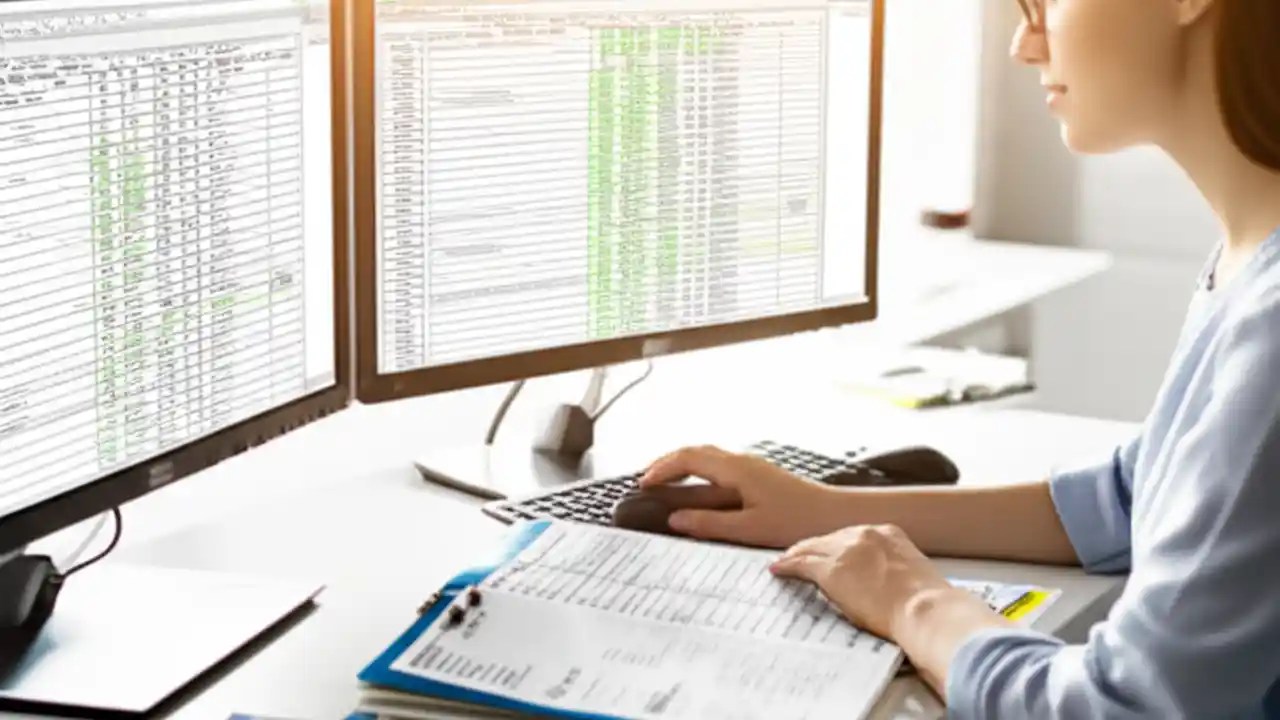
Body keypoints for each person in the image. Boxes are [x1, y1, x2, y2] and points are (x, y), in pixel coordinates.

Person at [640, 0, 1280, 716]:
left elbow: (1124, 707)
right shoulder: (1250, 258)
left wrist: (913, 601)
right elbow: (1137, 497)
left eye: (1045, 3)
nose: (1023, 44)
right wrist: (820, 508)